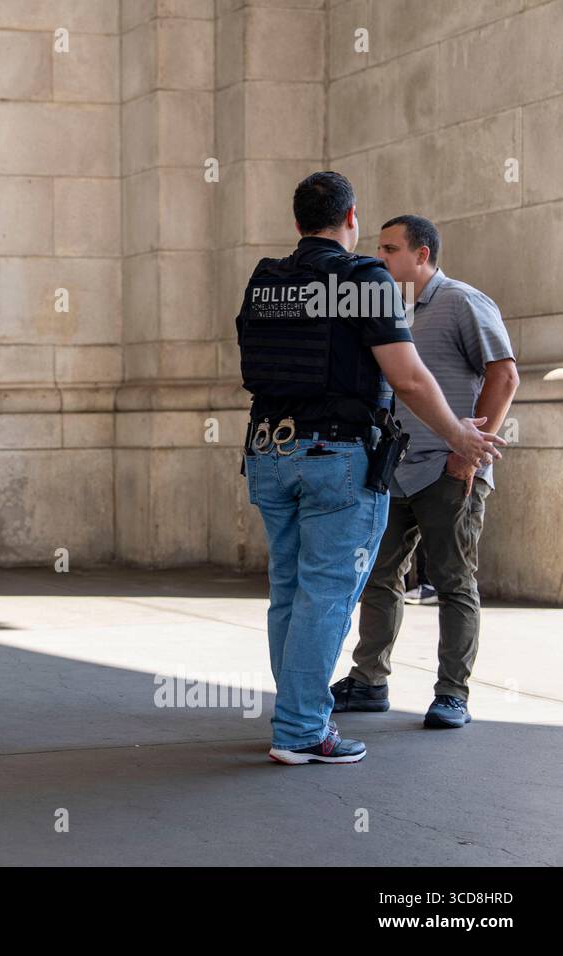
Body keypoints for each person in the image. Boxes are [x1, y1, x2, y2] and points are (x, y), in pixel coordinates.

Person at [236, 173, 505, 765]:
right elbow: (407, 377)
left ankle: (294, 716)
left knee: (289, 591)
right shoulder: (364, 278)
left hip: (268, 453)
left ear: (298, 220)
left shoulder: (265, 280)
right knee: (328, 595)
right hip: (337, 458)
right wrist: (459, 431)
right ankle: (303, 730)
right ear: (350, 217)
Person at [335, 214, 518, 728]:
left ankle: (452, 694)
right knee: (377, 575)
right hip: (394, 470)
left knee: (454, 581)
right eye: (378, 248)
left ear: (422, 255)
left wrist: (468, 452)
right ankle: (369, 681)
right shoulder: (389, 309)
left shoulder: (462, 301)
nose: (380, 258)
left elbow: (505, 375)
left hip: (450, 469)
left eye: (391, 249)